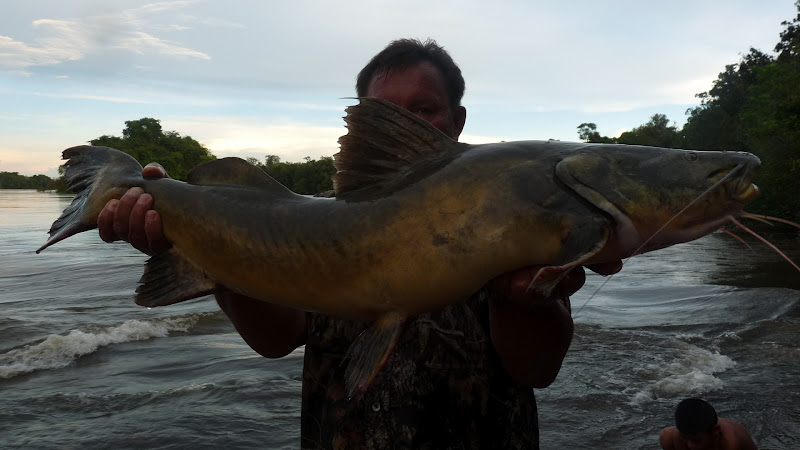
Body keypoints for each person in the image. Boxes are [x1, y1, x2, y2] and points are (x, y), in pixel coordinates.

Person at [97, 38, 621, 449]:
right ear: (360, 122)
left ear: (456, 122)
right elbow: (276, 340)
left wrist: (522, 295)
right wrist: (201, 248)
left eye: (424, 110)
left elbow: (536, 371)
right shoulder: (321, 218)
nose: (404, 124)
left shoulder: (511, 216)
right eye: (385, 112)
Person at [659, 398, 757, 450]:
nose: (690, 445)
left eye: (697, 440)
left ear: (715, 431)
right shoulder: (679, 436)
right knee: (666, 435)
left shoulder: (729, 442)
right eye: (685, 438)